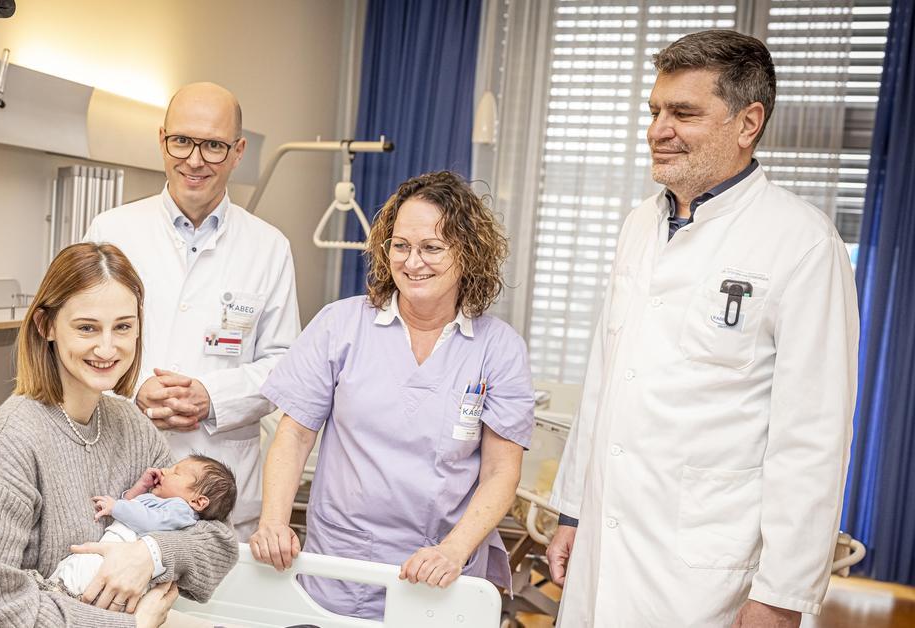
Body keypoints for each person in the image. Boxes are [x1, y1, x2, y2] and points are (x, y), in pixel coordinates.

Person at [545, 30, 859, 627]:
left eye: (683, 112)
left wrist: (781, 595)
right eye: (655, 110)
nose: (658, 128)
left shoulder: (803, 243)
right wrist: (572, 512)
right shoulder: (639, 224)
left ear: (748, 122)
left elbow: (813, 439)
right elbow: (604, 382)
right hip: (603, 552)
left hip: (704, 572)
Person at [249, 171, 535, 619]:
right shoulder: (340, 325)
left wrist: (453, 550)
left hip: (442, 569)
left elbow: (501, 470)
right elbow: (295, 435)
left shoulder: (498, 348)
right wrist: (273, 522)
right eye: (400, 245)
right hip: (341, 563)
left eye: (432, 247)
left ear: (469, 253)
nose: (412, 262)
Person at [0, 243, 238, 628]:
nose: (108, 347)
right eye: (87, 327)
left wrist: (150, 554)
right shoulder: (9, 444)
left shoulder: (130, 425)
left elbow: (220, 541)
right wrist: (131, 626)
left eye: (123, 326)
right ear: (46, 327)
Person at [85, 82, 301, 540]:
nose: (195, 159)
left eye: (214, 146)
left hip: (217, 490)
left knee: (209, 610)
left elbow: (284, 366)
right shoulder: (112, 231)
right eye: (182, 141)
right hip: (121, 475)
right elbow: (81, 341)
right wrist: (136, 389)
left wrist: (212, 397)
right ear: (162, 138)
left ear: (239, 150)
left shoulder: (269, 247)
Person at [42, 456, 238, 597]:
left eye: (175, 472)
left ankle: (60, 593)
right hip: (111, 547)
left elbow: (146, 520)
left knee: (85, 572)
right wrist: (141, 487)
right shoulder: (162, 502)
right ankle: (55, 589)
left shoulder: (181, 511)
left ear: (198, 502)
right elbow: (132, 506)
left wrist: (116, 507)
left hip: (121, 556)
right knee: (75, 565)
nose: (165, 470)